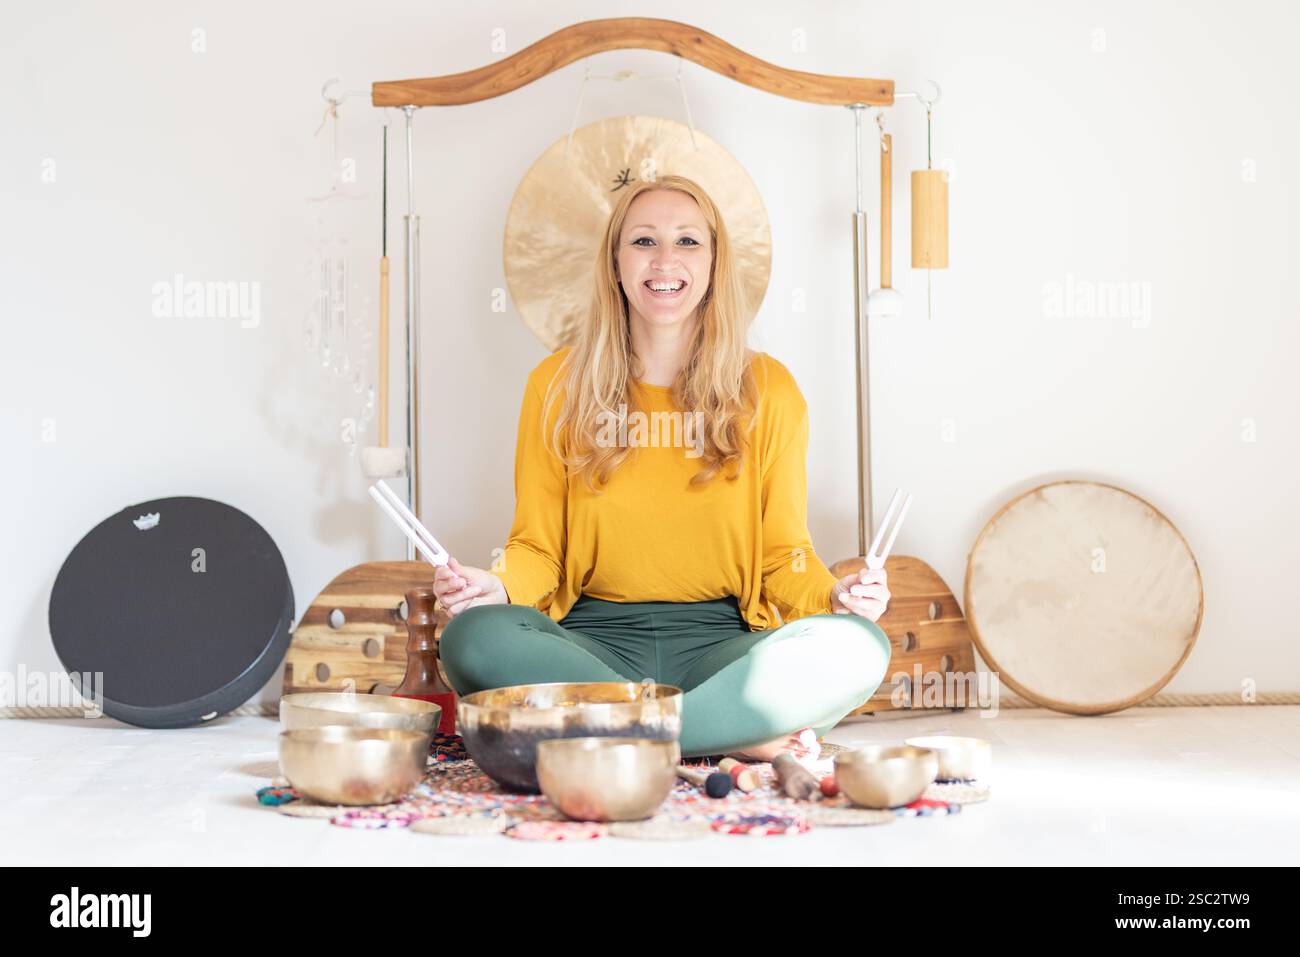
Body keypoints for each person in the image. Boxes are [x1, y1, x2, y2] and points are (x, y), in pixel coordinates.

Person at [434, 174, 892, 762]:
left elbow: (784, 556)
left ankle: (613, 731)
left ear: (715, 262)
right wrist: (497, 585)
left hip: (724, 649)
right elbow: (538, 549)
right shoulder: (554, 386)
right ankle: (734, 733)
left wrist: (835, 595)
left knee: (858, 646)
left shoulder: (770, 390)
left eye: (688, 242)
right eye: (644, 241)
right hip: (589, 646)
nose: (665, 260)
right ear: (615, 262)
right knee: (473, 637)